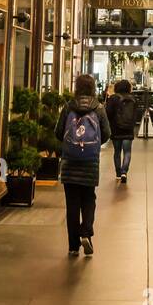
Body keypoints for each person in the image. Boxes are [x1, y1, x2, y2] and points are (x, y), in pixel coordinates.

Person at [55, 73, 111, 256]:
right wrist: (91, 146)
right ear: (93, 87)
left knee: (72, 203)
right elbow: (107, 133)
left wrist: (71, 144)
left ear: (77, 87)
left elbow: (58, 132)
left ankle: (73, 246)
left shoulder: (68, 107)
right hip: (90, 162)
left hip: (70, 161)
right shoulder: (99, 108)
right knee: (89, 198)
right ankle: (86, 232)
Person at [105, 78, 137, 183]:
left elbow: (108, 113)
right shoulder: (133, 98)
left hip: (116, 129)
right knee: (127, 152)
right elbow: (135, 115)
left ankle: (118, 173)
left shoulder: (113, 98)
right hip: (128, 129)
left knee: (117, 152)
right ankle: (124, 171)